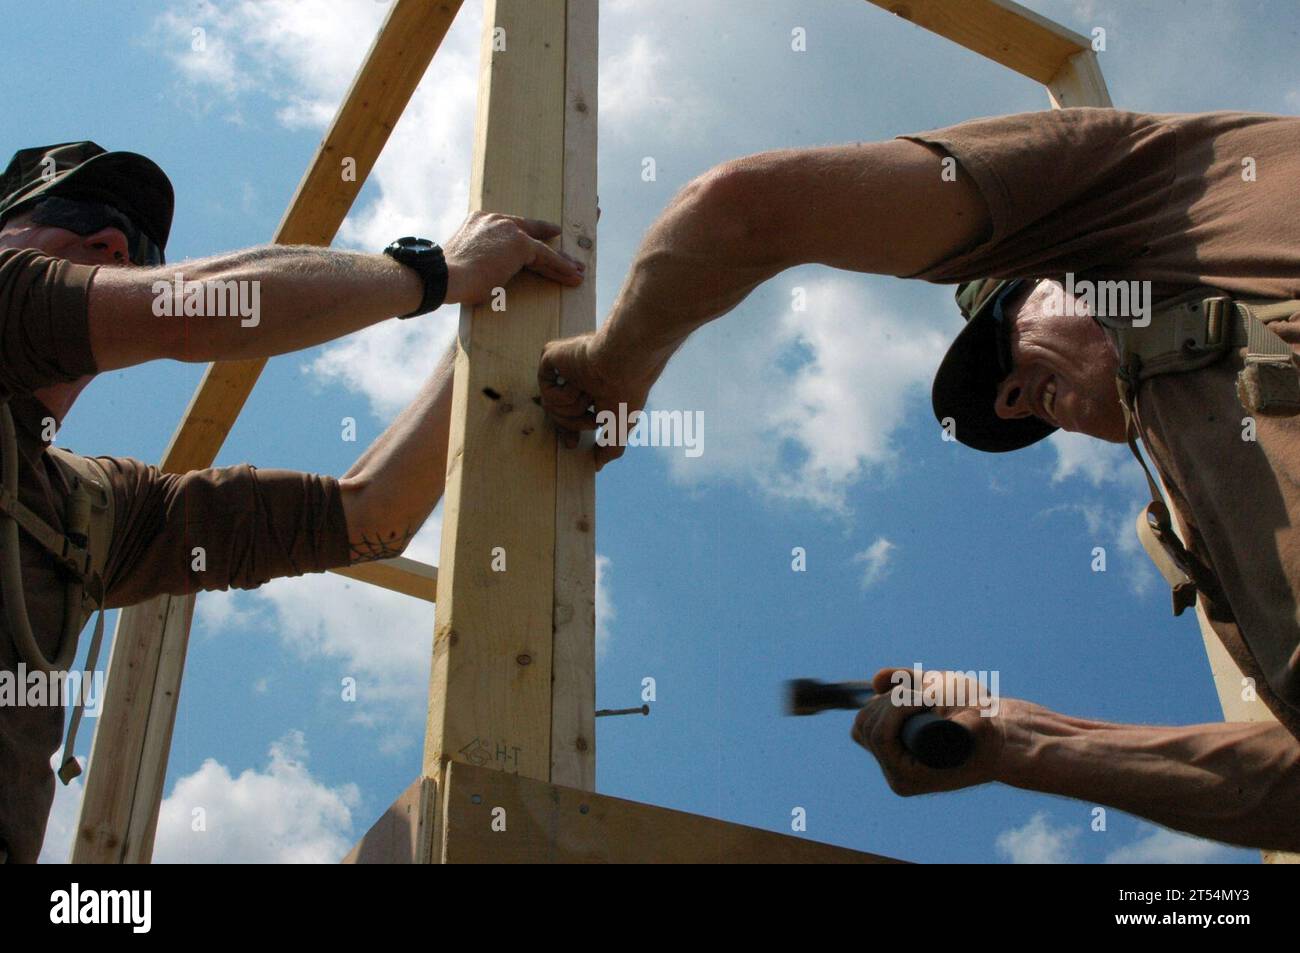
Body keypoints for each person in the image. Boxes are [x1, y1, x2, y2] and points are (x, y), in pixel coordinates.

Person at [537, 108, 1300, 851]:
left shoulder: (1158, 193)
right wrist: (1017, 738)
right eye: (1006, 392)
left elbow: (743, 207)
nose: (1009, 400)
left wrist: (614, 367)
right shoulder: (1217, 508)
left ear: (1066, 257)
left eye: (1005, 337)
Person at [0, 140, 584, 863]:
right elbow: (193, 310)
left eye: (140, 246)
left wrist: (500, 330)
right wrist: (435, 272)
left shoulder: (91, 510)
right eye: (71, 212)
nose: (114, 240)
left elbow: (371, 518)